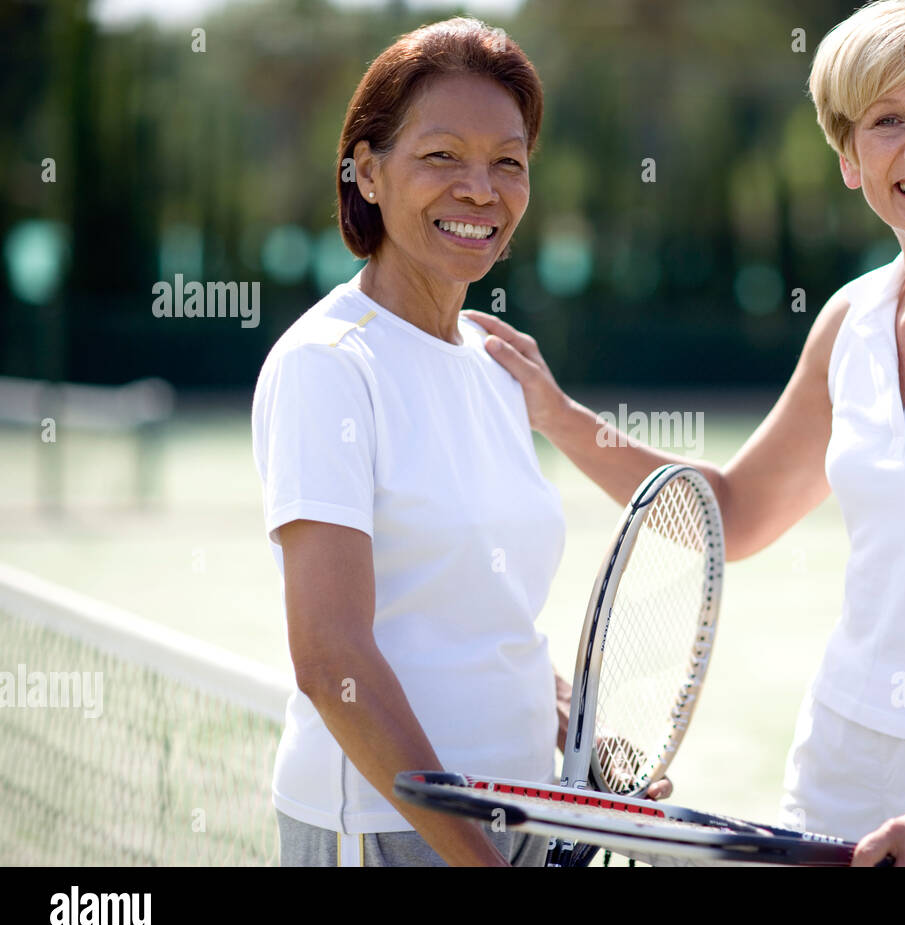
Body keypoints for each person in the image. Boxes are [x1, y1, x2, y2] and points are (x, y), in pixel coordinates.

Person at [475, 0, 905, 866]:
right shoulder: (850, 319)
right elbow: (738, 512)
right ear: (850, 160)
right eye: (887, 121)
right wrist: (557, 414)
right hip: (843, 765)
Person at [251, 17, 665, 868]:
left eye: (508, 161)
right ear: (366, 171)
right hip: (384, 830)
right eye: (442, 156)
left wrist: (570, 730)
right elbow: (332, 661)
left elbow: (479, 612)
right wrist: (477, 857)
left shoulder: (495, 366)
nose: (482, 188)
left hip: (520, 815)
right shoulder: (328, 366)